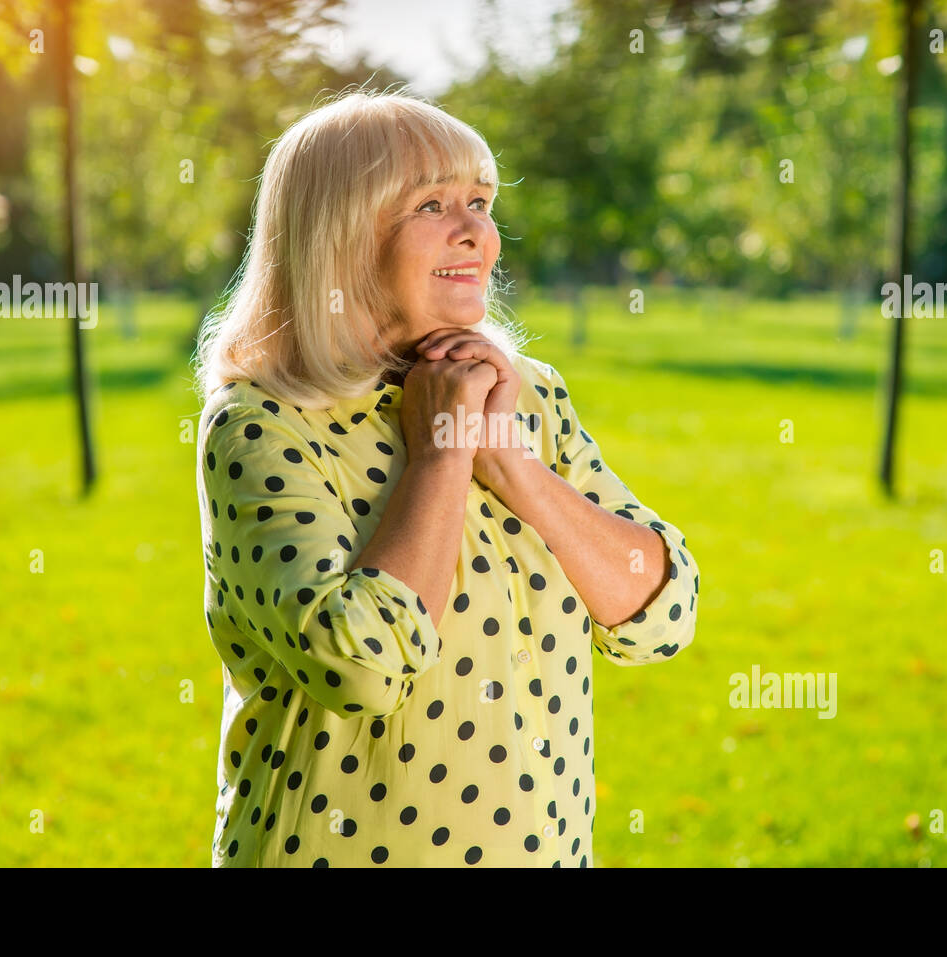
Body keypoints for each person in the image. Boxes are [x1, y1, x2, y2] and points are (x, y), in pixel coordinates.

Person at [193, 87, 699, 867]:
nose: (477, 232)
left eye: (481, 201)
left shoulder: (525, 391)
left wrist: (514, 465)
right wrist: (440, 456)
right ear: (340, 237)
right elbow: (360, 666)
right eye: (433, 204)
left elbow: (661, 614)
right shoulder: (262, 423)